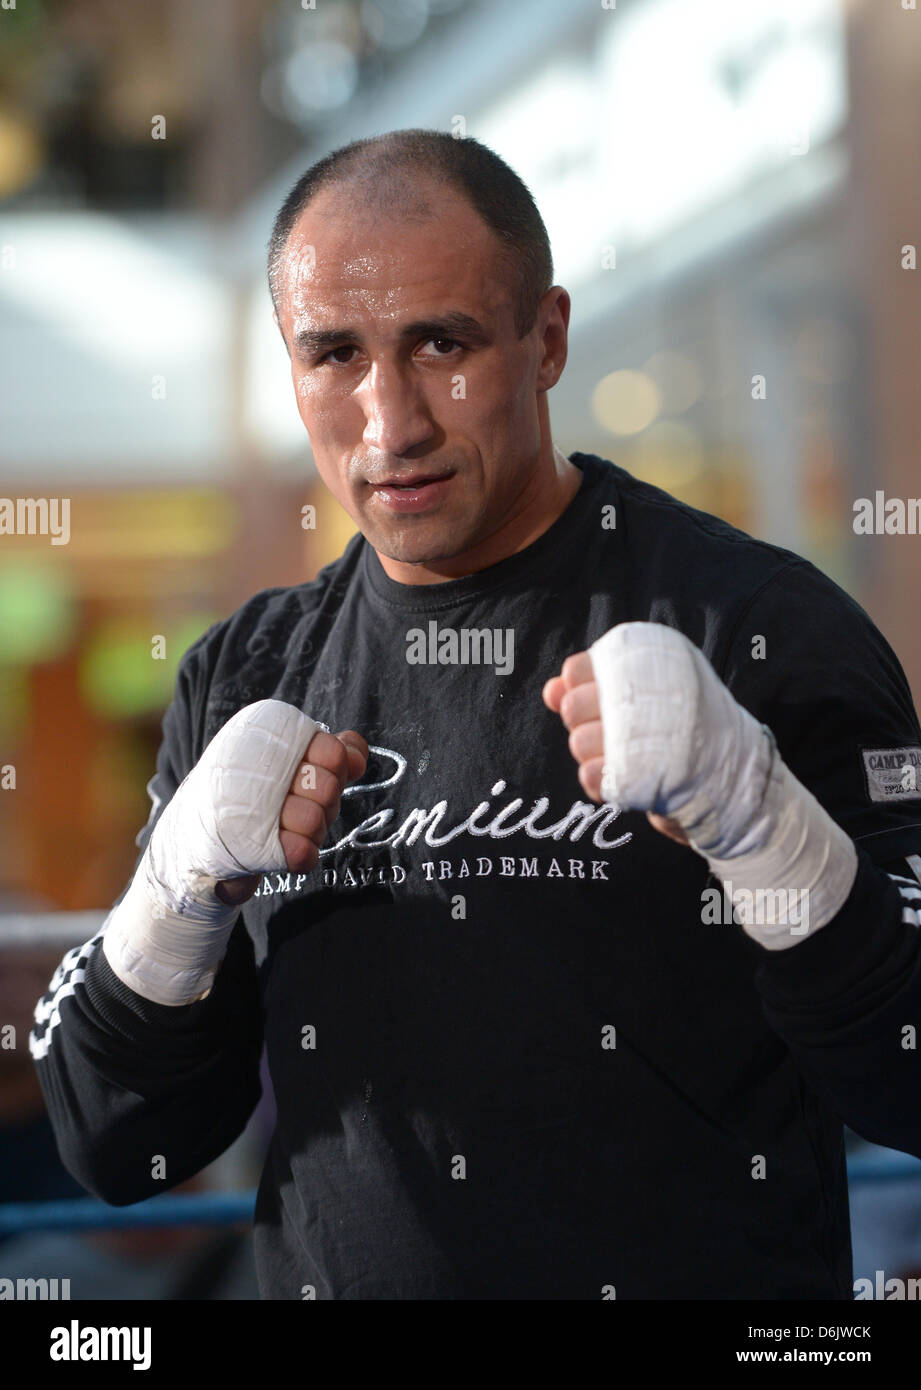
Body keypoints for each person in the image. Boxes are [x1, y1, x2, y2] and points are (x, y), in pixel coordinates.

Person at [31, 129, 921, 1300]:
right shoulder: (248, 671)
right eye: (333, 355)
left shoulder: (760, 625)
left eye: (440, 345)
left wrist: (765, 830)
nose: (389, 423)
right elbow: (118, 1147)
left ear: (544, 339)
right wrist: (172, 899)